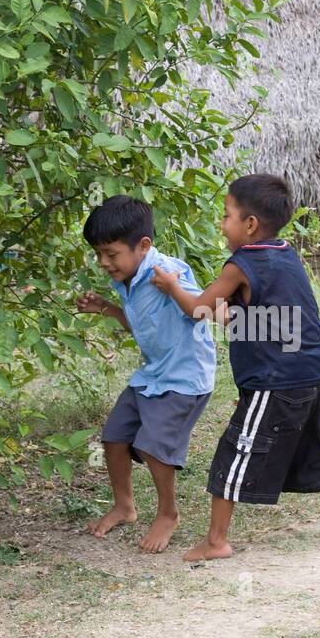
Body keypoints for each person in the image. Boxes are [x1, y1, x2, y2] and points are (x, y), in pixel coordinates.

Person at [151, 174, 320, 561]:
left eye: (226, 215)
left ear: (249, 225)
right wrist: (222, 309)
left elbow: (197, 309)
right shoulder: (285, 253)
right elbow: (259, 321)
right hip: (318, 375)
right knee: (310, 447)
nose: (221, 222)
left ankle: (216, 541)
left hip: (277, 382)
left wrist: (172, 287)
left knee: (236, 451)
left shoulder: (242, 264)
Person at [74, 195, 216, 553]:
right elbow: (142, 325)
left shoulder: (167, 272)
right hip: (152, 374)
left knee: (152, 447)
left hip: (183, 378)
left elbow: (205, 310)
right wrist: (108, 309)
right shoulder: (127, 277)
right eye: (98, 254)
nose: (104, 263)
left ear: (143, 245)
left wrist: (174, 288)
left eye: (111, 253)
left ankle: (168, 513)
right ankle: (125, 506)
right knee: (115, 437)